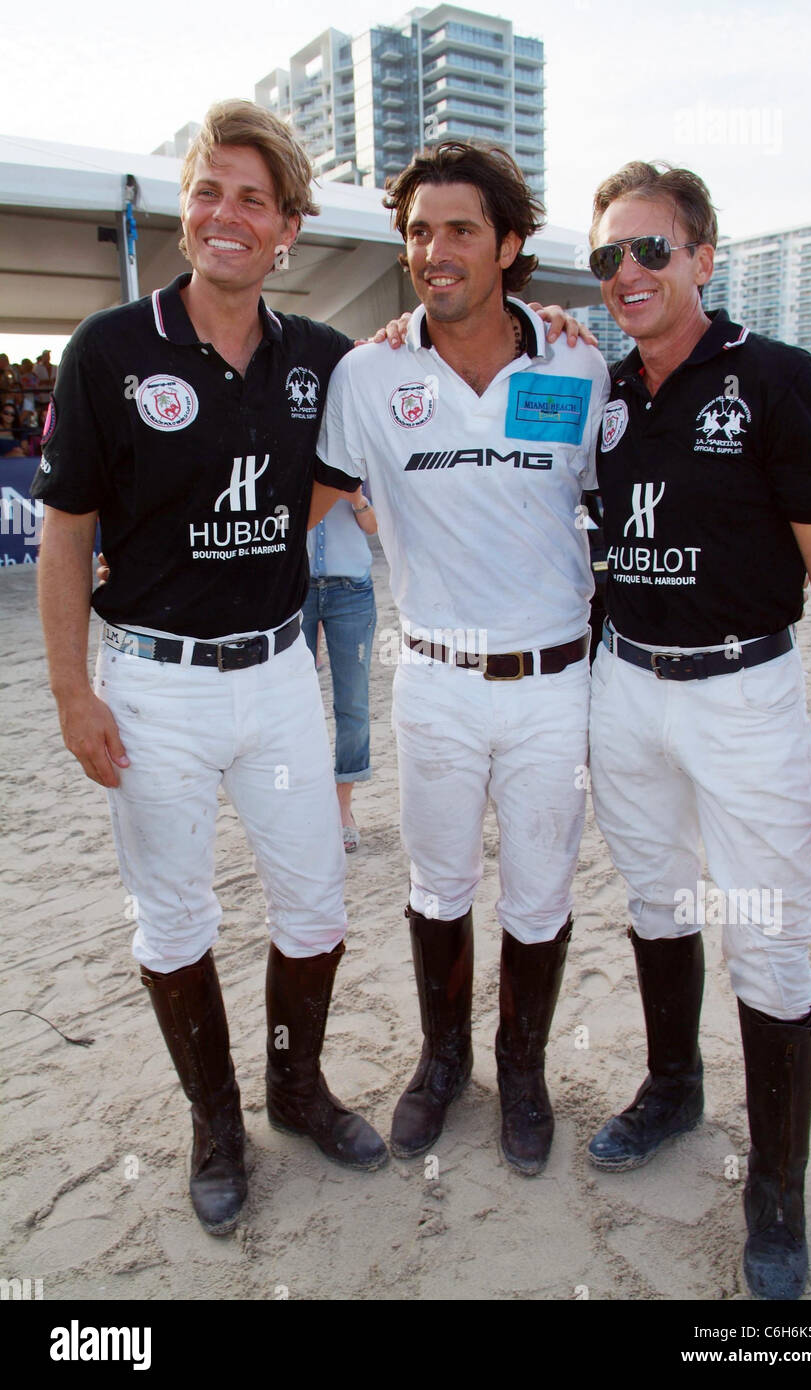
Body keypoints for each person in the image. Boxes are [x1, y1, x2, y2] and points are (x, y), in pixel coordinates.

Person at [32, 99, 391, 1237]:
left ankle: (294, 1086)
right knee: (174, 919)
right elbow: (65, 531)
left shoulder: (322, 358)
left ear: (287, 226)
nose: (225, 214)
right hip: (156, 686)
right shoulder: (110, 349)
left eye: (252, 197)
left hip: (280, 676)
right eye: (207, 191)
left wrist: (554, 335)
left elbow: (416, 381)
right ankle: (216, 1123)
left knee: (316, 902)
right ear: (186, 213)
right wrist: (71, 691)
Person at [584, 161, 811, 1299]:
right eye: (608, 256)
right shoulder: (598, 389)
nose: (627, 273)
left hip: (744, 695)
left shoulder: (777, 379)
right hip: (623, 689)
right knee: (652, 899)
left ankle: (776, 1192)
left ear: (702, 255)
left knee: (765, 937)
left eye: (650, 249)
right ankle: (670, 1086)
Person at [314, 141, 609, 1176]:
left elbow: (617, 504)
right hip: (434, 680)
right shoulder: (369, 369)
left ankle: (518, 1070)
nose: (433, 250)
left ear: (509, 244)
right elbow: (307, 502)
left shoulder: (578, 359)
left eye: (459, 230)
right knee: (437, 888)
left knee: (538, 893)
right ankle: (442, 1065)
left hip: (552, 684)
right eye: (418, 233)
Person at [302, 485, 378, 851]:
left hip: (351, 591)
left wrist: (356, 499)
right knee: (294, 706)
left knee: (353, 704)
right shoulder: (290, 446)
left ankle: (342, 804)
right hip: (293, 590)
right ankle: (302, 802)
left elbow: (373, 526)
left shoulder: (357, 456)